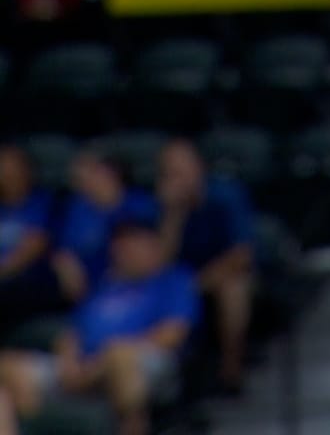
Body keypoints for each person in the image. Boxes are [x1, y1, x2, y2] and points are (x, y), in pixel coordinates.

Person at [0, 212, 199, 435]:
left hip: (141, 361)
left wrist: (102, 361)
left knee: (119, 356)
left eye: (133, 241)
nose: (123, 249)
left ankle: (132, 427)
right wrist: (69, 361)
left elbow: (173, 334)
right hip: (85, 366)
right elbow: (73, 331)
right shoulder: (106, 284)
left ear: (154, 246)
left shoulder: (174, 280)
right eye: (120, 242)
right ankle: (37, 423)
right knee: (6, 365)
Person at [155, 138, 253, 393]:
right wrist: (173, 215)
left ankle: (231, 370)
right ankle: (174, 380)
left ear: (198, 168)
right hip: (180, 280)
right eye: (170, 172)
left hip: (222, 274)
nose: (177, 178)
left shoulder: (226, 195)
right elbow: (160, 263)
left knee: (234, 289)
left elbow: (241, 255)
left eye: (181, 170)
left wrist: (199, 282)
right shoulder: (165, 206)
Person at [52, 148, 159, 303]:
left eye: (91, 170)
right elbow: (64, 251)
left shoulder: (142, 205)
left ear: (111, 172)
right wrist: (65, 264)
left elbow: (152, 254)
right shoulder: (76, 209)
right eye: (77, 176)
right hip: (88, 291)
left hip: (135, 285)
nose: (83, 178)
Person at [0, 144, 61, 338]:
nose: (7, 173)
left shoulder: (43, 202)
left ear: (26, 170)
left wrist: (3, 270)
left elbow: (34, 246)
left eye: (12, 166)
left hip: (30, 279)